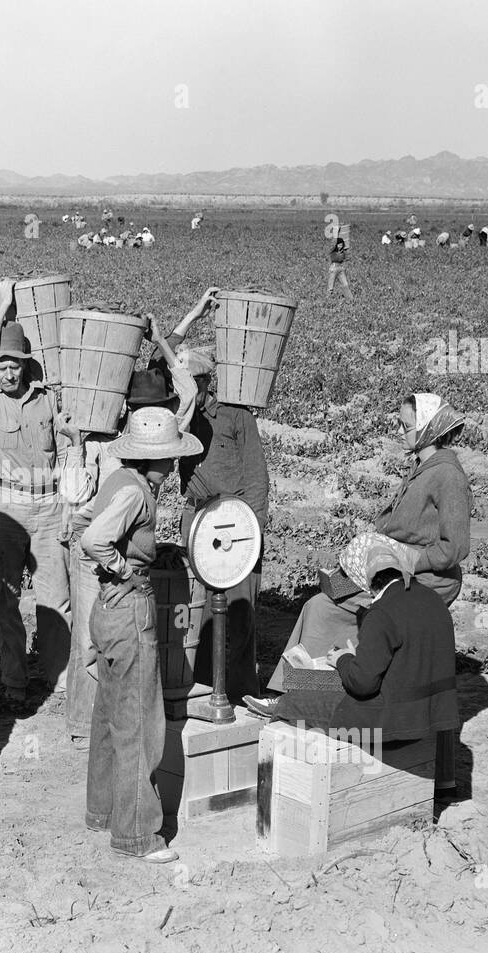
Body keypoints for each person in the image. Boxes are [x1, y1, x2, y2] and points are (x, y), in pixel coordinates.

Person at [258, 393, 470, 790]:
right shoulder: (422, 467)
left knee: (326, 605)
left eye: (408, 426)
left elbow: (454, 549)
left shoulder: (449, 477)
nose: (401, 432)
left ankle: (297, 692)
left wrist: (405, 558)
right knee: (323, 600)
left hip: (422, 578)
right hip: (390, 568)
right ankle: (292, 688)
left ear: (428, 430)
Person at [59, 314, 197, 749]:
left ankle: (106, 721)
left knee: (105, 637)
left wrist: (163, 338)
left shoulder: (162, 434)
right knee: (87, 637)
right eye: (139, 409)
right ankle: (85, 723)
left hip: (117, 546)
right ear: (127, 409)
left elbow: (189, 390)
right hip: (95, 546)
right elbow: (79, 503)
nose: (147, 415)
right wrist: (77, 446)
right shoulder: (103, 439)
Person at [81, 407, 202, 864]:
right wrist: (125, 571)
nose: (172, 466)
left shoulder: (116, 481)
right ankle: (136, 834)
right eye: (167, 458)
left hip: (105, 609)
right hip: (129, 608)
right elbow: (95, 538)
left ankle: (104, 810)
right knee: (140, 720)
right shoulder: (135, 494)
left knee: (109, 713)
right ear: (151, 459)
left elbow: (85, 527)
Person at [0, 280, 70, 705]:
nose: (8, 372)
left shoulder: (47, 401)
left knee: (56, 599)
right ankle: (14, 681)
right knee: (6, 598)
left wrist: (68, 498)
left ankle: (60, 676)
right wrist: (2, 311)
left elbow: (66, 447)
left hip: (48, 505)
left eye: (15, 364)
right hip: (6, 507)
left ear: (26, 365)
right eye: (2, 365)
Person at [274, 538, 458, 753]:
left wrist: (343, 660)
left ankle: (285, 782)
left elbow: (363, 685)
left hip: (391, 721)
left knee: (291, 703)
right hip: (434, 713)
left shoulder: (381, 612)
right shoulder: (433, 600)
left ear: (365, 579)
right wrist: (358, 658)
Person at [176, 291, 270, 708]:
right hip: (196, 521)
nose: (183, 391)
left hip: (237, 520)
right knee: (197, 609)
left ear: (205, 384)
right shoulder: (178, 419)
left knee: (238, 612)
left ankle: (240, 692)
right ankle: (198, 687)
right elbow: (159, 363)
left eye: (190, 384)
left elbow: (257, 478)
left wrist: (251, 535)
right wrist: (194, 313)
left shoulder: (236, 416)